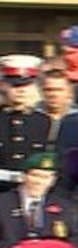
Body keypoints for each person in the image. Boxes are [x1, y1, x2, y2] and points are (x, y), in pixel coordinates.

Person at [0, 55, 50, 192]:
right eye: (15, 85)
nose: (20, 90)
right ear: (3, 85)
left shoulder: (43, 121)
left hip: (29, 190)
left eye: (26, 85)